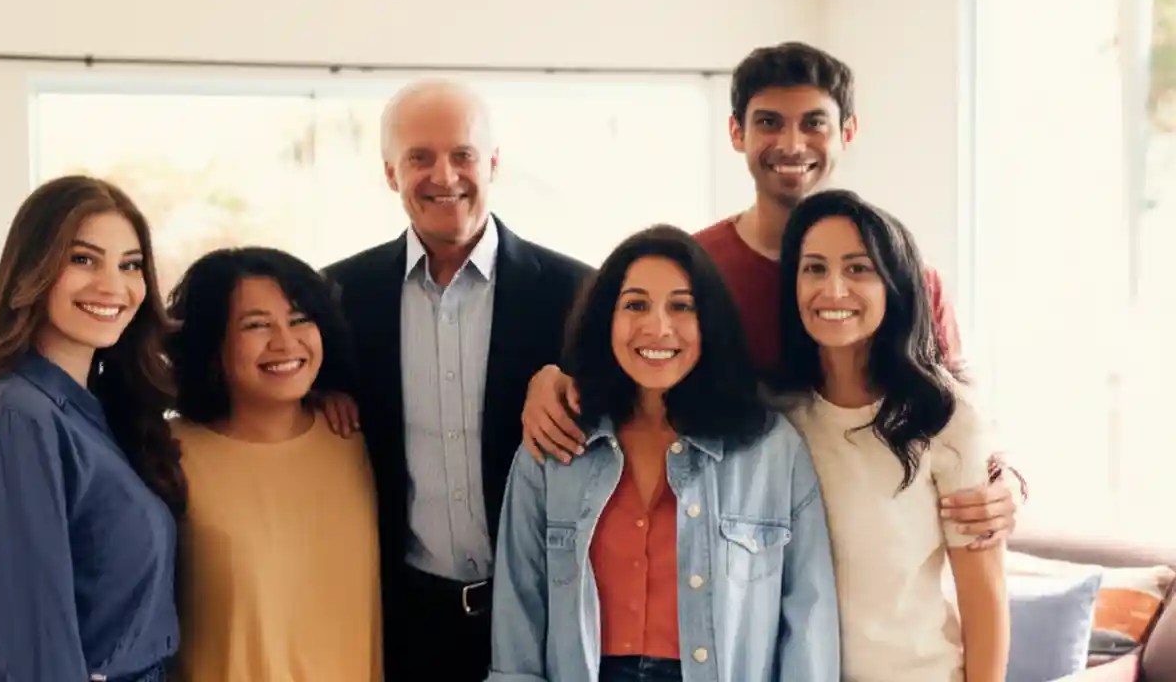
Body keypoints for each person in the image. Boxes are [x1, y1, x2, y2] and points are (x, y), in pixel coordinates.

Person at [520, 41, 1022, 544]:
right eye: (768, 122)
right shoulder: (694, 269)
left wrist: (1009, 487)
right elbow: (625, 379)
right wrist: (552, 379)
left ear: (848, 132)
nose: (791, 143)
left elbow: (961, 418)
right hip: (729, 549)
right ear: (737, 133)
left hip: (875, 553)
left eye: (814, 123)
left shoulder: (908, 280)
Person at [318, 79, 592, 681]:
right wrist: (318, 397)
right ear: (391, 172)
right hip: (403, 623)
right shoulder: (336, 297)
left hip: (543, 614)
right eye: (420, 157)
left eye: (463, 154)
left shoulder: (578, 294)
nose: (444, 176)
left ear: (493, 164)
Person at [488, 225, 840, 682]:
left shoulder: (770, 451)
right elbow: (519, 610)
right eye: (635, 304)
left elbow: (809, 620)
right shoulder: (556, 441)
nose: (657, 327)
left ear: (707, 322)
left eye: (681, 306)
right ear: (605, 320)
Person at [0, 175, 184, 682]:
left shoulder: (92, 412)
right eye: (83, 259)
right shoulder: (15, 418)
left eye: (130, 265)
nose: (113, 285)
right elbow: (31, 655)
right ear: (33, 270)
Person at [778, 189, 1009, 681]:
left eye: (859, 268)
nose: (833, 289)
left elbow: (984, 601)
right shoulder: (776, 416)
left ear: (895, 285)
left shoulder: (945, 416)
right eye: (814, 268)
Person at [164, 246, 379, 681]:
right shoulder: (167, 456)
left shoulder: (357, 439)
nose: (285, 341)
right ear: (212, 344)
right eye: (256, 325)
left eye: (299, 319)